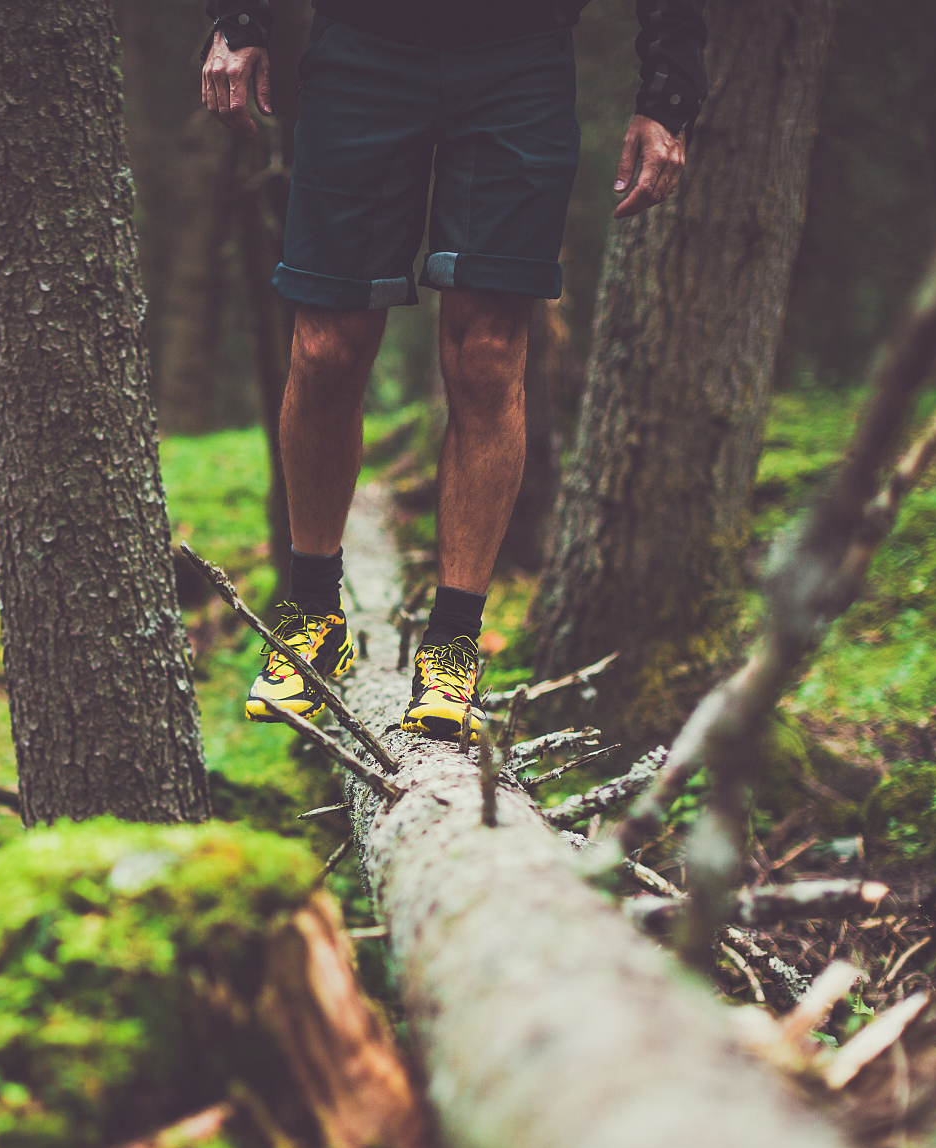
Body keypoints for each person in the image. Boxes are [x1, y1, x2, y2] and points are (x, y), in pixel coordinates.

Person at [202, 0, 705, 738]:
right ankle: (313, 616)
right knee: (325, 346)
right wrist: (239, 21)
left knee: (489, 352)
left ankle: (452, 647)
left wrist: (669, 92)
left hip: (521, 55)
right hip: (363, 44)